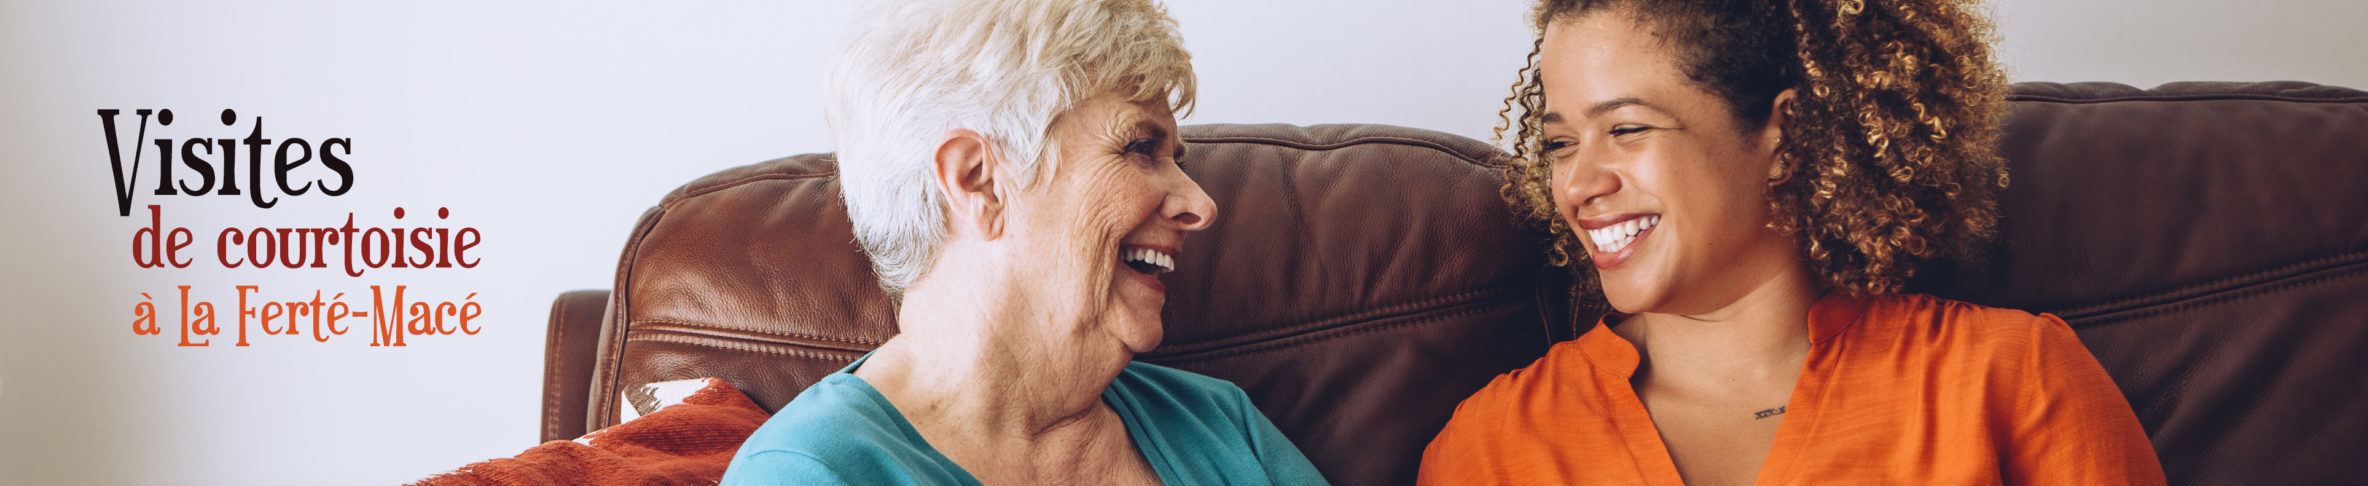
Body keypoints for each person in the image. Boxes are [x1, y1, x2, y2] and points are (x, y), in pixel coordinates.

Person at [1418, 0, 2167, 484]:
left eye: (1627, 129)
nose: (1578, 184)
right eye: (1557, 144)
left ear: (1788, 136)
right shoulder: (1491, 448)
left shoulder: (2011, 378)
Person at [720, 0, 1327, 485]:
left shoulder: (1219, 425)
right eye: (1140, 148)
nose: (1201, 204)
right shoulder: (811, 472)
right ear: (980, 183)